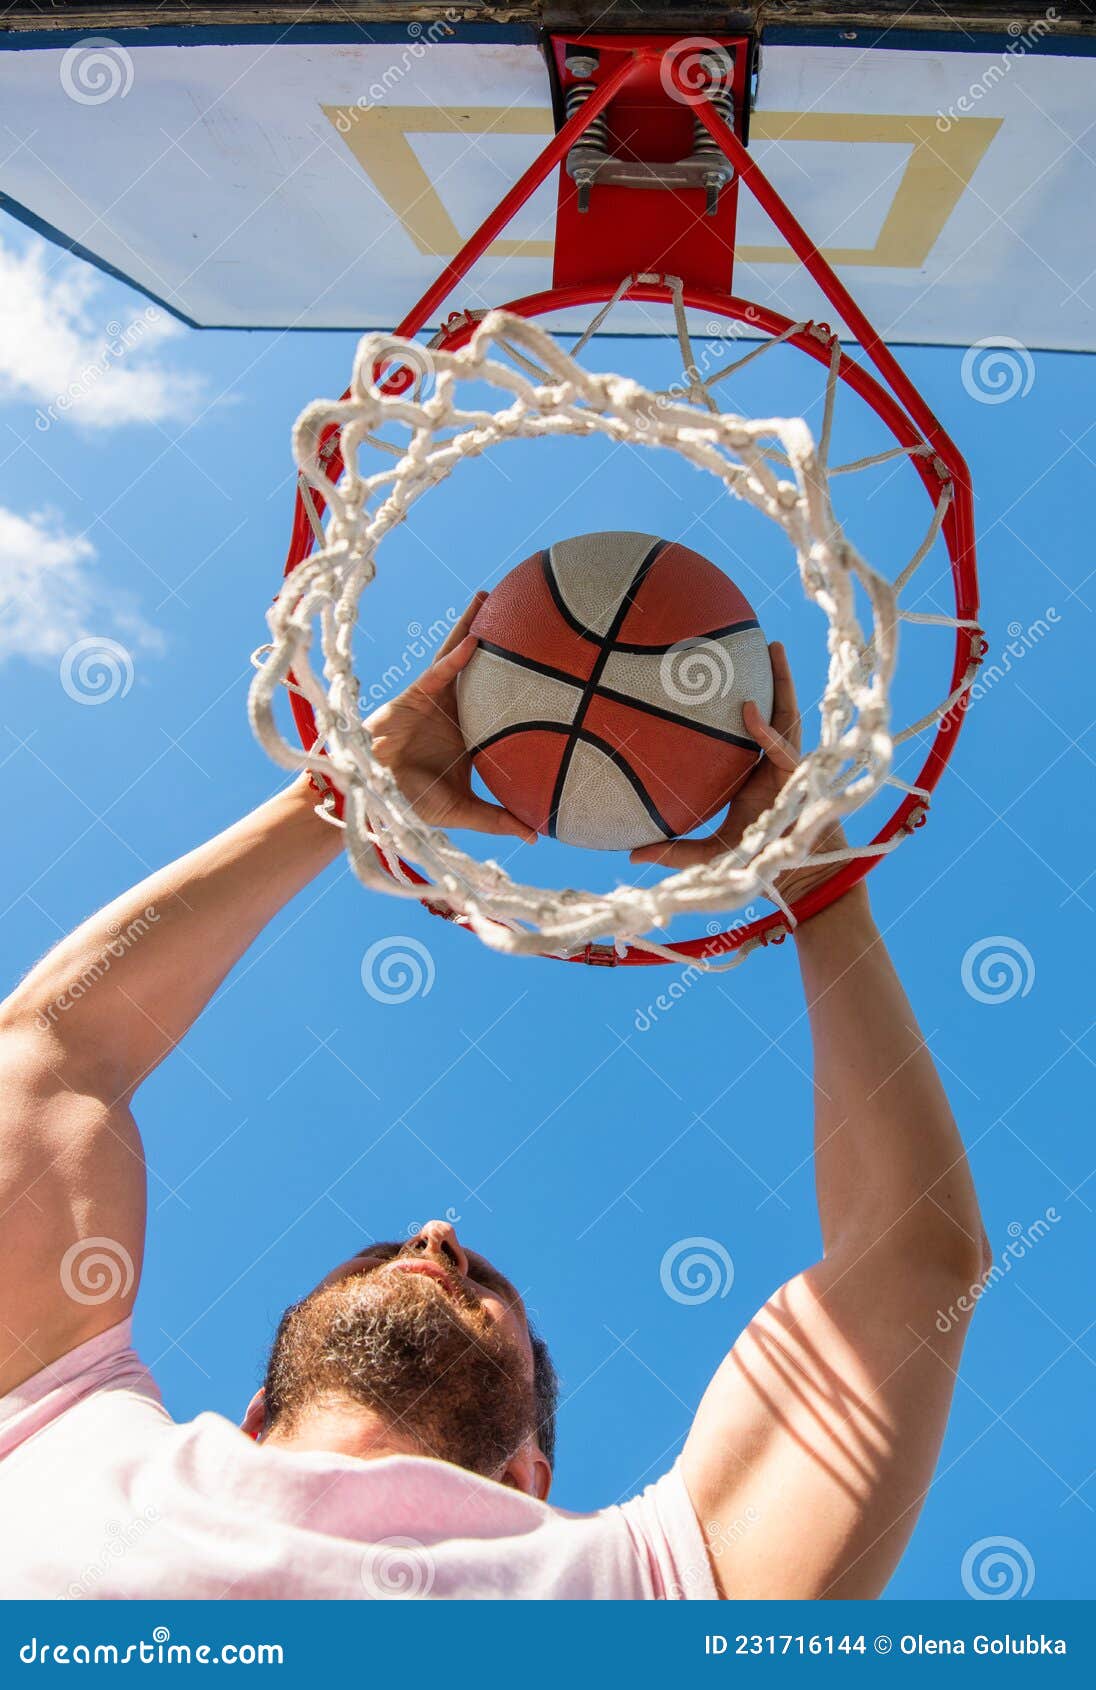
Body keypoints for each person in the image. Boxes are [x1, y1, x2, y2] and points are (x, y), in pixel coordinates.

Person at [0, 597, 987, 1600]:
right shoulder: (55, 1435)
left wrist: (818, 890)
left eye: (484, 1283)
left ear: (530, 1475)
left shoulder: (652, 1582)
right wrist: (347, 797)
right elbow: (49, 1046)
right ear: (252, 1415)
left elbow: (913, 1262)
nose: (434, 1235)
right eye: (406, 1251)